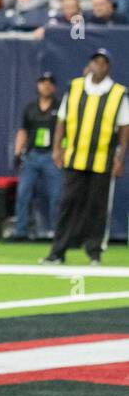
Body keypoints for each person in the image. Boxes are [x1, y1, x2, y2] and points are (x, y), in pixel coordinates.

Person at [42, 49, 129, 267]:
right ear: (90, 64)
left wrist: (120, 157)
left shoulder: (118, 93)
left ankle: (94, 252)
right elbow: (61, 119)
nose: (99, 66)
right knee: (68, 203)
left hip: (102, 158)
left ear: (108, 66)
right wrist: (56, 148)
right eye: (95, 62)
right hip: (75, 156)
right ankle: (58, 252)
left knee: (97, 207)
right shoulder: (76, 87)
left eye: (103, 62)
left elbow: (124, 128)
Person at [10, 71, 64, 242]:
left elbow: (67, 132)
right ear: (38, 85)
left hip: (52, 156)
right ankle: (21, 231)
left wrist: (62, 152)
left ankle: (56, 232)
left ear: (54, 87)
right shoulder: (30, 108)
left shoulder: (60, 107)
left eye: (49, 82)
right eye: (42, 82)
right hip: (32, 155)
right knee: (23, 192)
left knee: (56, 195)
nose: (46, 85)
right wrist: (18, 152)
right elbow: (23, 131)